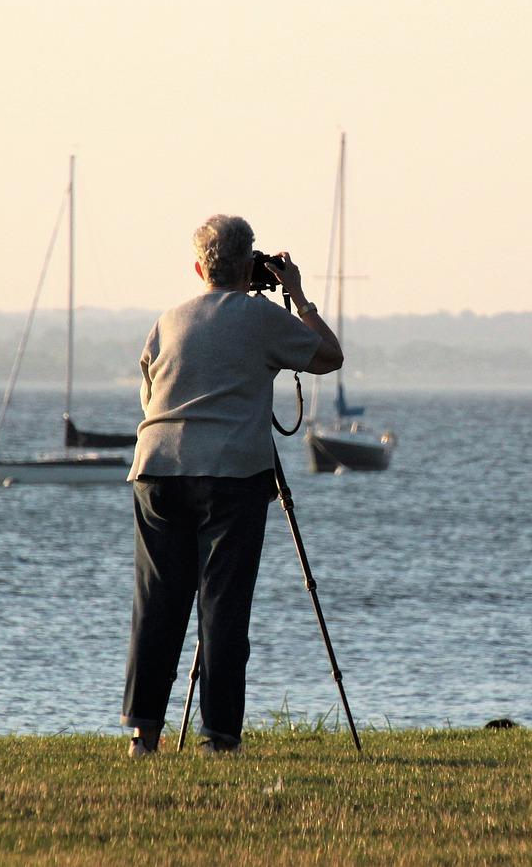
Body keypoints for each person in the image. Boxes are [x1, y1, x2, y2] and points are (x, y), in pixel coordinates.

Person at [121, 214, 343, 757]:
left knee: (157, 604)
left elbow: (149, 399)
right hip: (232, 476)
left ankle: (142, 733)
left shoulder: (167, 321)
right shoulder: (260, 316)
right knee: (222, 606)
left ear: (198, 267)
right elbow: (329, 356)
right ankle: (220, 737)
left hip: (156, 469)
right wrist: (299, 296)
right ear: (250, 267)